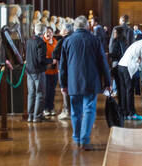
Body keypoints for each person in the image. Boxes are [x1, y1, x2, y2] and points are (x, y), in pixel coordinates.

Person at [58, 15, 111, 150]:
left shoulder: (68, 41)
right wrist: (108, 81)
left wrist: (62, 84)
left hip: (73, 82)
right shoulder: (95, 40)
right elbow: (103, 62)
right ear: (87, 26)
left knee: (75, 111)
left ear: (75, 27)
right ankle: (84, 139)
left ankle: (77, 137)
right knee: (89, 110)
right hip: (91, 81)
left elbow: (62, 66)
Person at [116, 33, 142, 123]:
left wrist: (138, 61)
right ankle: (131, 114)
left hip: (121, 65)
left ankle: (125, 113)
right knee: (129, 91)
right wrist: (139, 62)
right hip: (128, 68)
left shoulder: (139, 42)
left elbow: (139, 59)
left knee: (124, 91)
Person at [25, 23, 48, 122]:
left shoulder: (29, 40)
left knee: (31, 93)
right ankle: (37, 116)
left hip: (29, 71)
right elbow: (41, 60)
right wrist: (51, 61)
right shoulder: (41, 43)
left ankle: (30, 116)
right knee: (40, 94)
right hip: (38, 71)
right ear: (43, 32)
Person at [41, 25, 58, 117]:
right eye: (47, 32)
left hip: (54, 70)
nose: (48, 34)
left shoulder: (56, 42)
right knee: (46, 90)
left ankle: (51, 107)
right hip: (46, 71)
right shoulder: (43, 42)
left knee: (52, 90)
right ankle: (45, 108)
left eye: (50, 32)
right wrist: (50, 60)